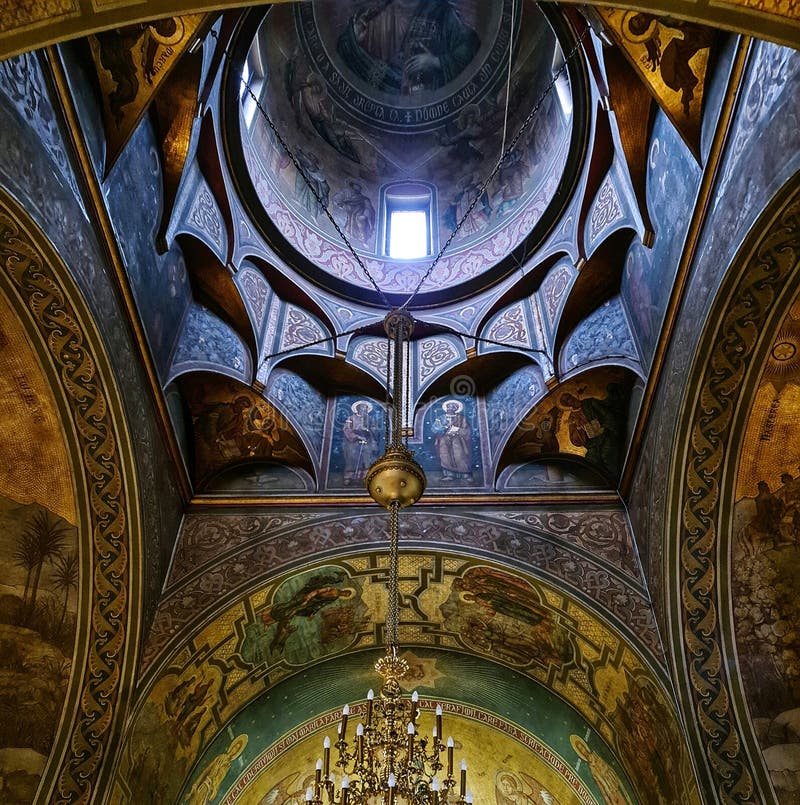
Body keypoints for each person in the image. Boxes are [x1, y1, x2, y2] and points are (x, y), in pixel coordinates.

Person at [337, 0, 480, 95]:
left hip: (423, 98)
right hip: (386, 104)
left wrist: (436, 62)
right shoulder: (378, 13)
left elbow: (470, 46)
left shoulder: (440, 11)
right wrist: (353, 38)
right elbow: (347, 60)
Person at [570, 735, 633, 805]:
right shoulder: (591, 768)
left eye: (582, 747)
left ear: (584, 747)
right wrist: (607, 794)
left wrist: (610, 774)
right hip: (607, 787)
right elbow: (599, 782)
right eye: (580, 749)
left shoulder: (595, 755)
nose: (582, 750)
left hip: (611, 779)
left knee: (620, 797)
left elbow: (606, 765)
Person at [186, 734, 248, 805]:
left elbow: (220, 778)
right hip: (204, 783)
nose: (234, 750)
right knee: (194, 801)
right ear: (232, 747)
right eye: (235, 747)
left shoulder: (228, 765)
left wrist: (214, 787)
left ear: (237, 752)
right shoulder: (220, 757)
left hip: (209, 787)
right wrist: (196, 783)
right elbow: (207, 769)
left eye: (237, 749)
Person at [433, 399, 472, 480]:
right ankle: (449, 474)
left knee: (459, 454)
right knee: (445, 455)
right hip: (444, 439)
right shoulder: (440, 418)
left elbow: (467, 430)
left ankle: (465, 474)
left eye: (453, 407)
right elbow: (434, 428)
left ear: (456, 409)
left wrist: (457, 429)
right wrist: (443, 428)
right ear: (446, 408)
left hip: (458, 439)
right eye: (449, 406)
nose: (451, 408)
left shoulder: (461, 418)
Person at [343, 400, 378, 485]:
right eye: (362, 408)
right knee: (352, 458)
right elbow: (346, 429)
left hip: (366, 441)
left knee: (366, 459)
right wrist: (357, 436)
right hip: (353, 442)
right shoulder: (351, 418)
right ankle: (349, 477)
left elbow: (374, 429)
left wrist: (369, 430)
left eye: (365, 408)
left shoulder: (369, 419)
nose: (363, 410)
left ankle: (364, 477)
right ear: (357, 409)